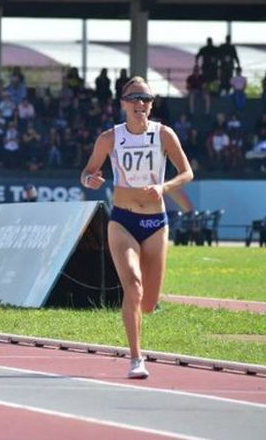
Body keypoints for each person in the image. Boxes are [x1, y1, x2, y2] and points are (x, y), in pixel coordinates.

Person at [80, 76, 193, 379]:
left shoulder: (164, 135)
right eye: (134, 98)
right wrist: (90, 180)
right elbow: (87, 173)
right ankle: (136, 359)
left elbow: (187, 173)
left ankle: (140, 325)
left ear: (152, 104)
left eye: (146, 99)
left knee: (149, 302)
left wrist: (164, 186)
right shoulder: (110, 138)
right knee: (133, 286)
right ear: (123, 104)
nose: (140, 104)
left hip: (156, 223)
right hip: (123, 220)